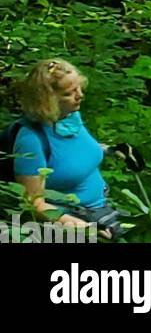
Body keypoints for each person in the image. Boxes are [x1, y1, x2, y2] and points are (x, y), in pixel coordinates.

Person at [12, 58, 124, 239]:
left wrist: (110, 150)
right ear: (46, 100)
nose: (80, 95)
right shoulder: (31, 139)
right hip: (76, 221)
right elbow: (33, 203)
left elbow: (74, 149)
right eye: (69, 93)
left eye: (79, 88)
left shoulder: (69, 117)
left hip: (102, 207)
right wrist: (78, 226)